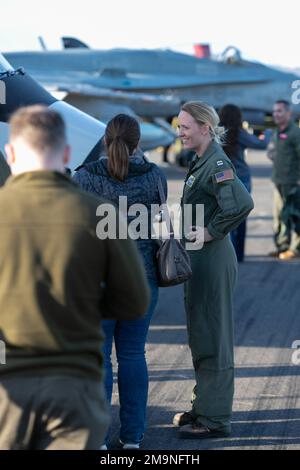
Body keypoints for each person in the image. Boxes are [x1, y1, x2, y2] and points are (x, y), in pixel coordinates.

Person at [0, 105, 150, 450]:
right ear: (66, 153)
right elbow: (135, 300)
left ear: (9, 152)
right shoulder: (100, 214)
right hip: (74, 385)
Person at [74, 114, 167, 449]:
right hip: (141, 278)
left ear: (104, 139)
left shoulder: (83, 178)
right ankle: (133, 439)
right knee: (132, 354)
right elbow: (158, 215)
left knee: (99, 357)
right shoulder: (155, 176)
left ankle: (98, 438)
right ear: (138, 141)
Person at [174, 101, 254, 439]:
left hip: (212, 258)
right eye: (179, 126)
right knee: (202, 335)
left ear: (205, 127)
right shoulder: (201, 160)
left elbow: (242, 203)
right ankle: (204, 405)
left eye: (185, 127)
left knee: (215, 339)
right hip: (200, 260)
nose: (179, 133)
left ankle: (216, 418)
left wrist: (211, 230)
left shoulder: (217, 162)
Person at [219, 104, 271, 262]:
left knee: (227, 215)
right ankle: (239, 254)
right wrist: (267, 132)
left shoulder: (217, 133)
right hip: (242, 178)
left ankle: (230, 253)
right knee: (241, 216)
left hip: (223, 178)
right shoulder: (239, 133)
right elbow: (261, 144)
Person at [267, 100, 300, 260]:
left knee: (295, 216)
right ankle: (282, 247)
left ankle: (296, 249)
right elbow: (273, 150)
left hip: (293, 182)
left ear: (289, 113)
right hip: (278, 181)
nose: (276, 114)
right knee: (279, 216)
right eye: (274, 111)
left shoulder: (295, 132)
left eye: (279, 111)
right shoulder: (277, 132)